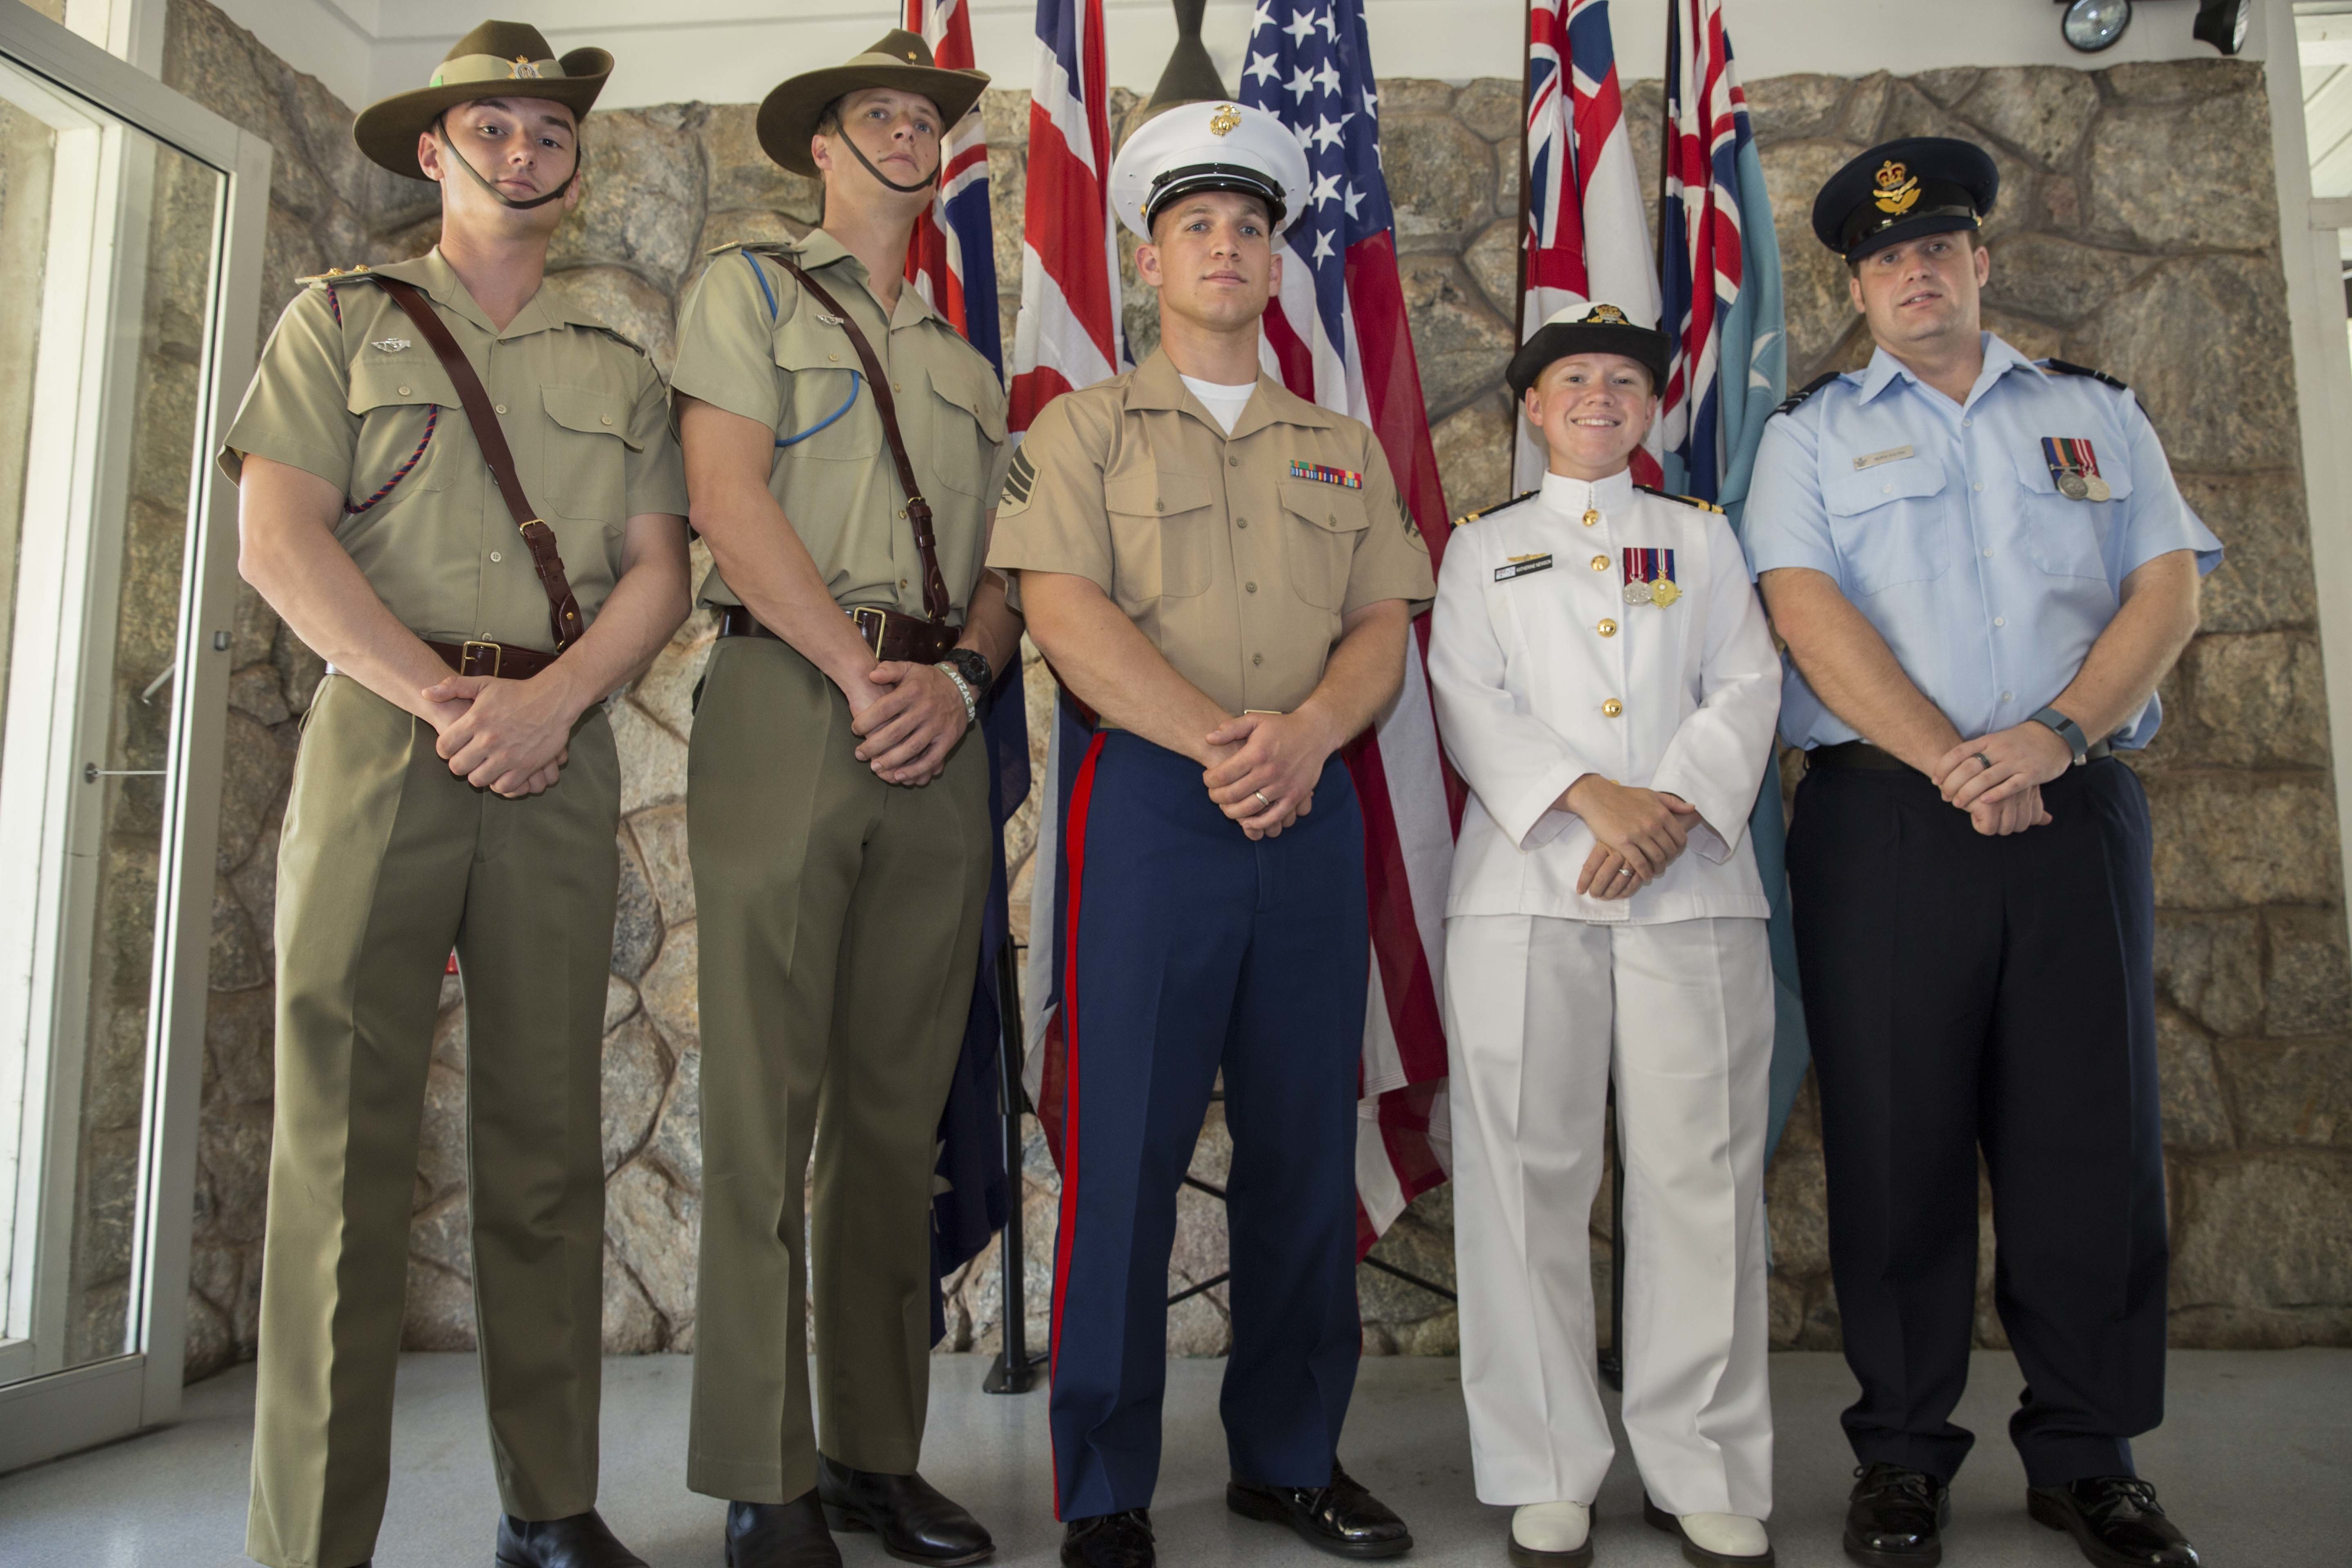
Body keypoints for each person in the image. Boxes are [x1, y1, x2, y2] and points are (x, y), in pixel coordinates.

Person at [222, 22, 690, 1568]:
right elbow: (279, 543)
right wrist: (443, 702)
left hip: (556, 748)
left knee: (549, 1141)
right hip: (386, 734)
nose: (524, 152)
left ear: (574, 163)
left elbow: (658, 573)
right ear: (435, 152)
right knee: (338, 1152)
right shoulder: (339, 323)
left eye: (549, 133)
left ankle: (551, 1510)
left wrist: (550, 704)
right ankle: (312, 1542)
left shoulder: (618, 363)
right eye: (491, 128)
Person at [1742, 137, 2216, 1568]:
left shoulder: (2094, 413)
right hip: (1889, 817)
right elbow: (1803, 606)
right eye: (1888, 259)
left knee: (2089, 1138)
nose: (1917, 272)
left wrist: (2058, 736)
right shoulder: (1810, 435)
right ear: (1858, 287)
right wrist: (1956, 757)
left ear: (1981, 263)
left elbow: (2166, 586)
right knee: (1895, 1139)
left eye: (1939, 248)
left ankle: (2091, 1454)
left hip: (2072, 804)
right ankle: (1901, 1456)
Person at [986, 98, 1435, 1568]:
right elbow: (1060, 610)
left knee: (1307, 1143)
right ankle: (1106, 1485)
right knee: (1126, 1150)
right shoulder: (1083, 429)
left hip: (1309, 807)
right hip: (1159, 811)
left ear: (1274, 256)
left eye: (1250, 227)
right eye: (1198, 227)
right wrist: (1216, 741)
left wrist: (1305, 738)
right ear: (1147, 255)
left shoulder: (1340, 444)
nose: (1227, 248)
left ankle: (1289, 1459)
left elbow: (1384, 621)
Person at [667, 29, 1019, 1568]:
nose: (903, 129)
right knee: (766, 1112)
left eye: (922, 114)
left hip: (937, 729)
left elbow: (1005, 576)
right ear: (821, 147)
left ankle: (876, 1454)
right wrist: (860, 670)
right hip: (789, 702)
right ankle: (766, 1472)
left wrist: (960, 682)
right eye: (875, 112)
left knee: (895, 1116)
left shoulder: (967, 359)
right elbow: (726, 500)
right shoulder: (747, 292)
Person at [1429, 302, 1783, 1568]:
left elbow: (1748, 683)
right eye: (1572, 377)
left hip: (1691, 883)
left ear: (1651, 408)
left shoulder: (1703, 538)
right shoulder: (1483, 549)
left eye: (1623, 381)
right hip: (1531, 884)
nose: (1598, 395)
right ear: (1532, 404)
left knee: (1701, 1174)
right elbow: (1467, 697)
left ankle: (1705, 1462)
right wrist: (1595, 804)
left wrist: (1666, 812)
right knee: (1528, 1176)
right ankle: (1546, 1463)